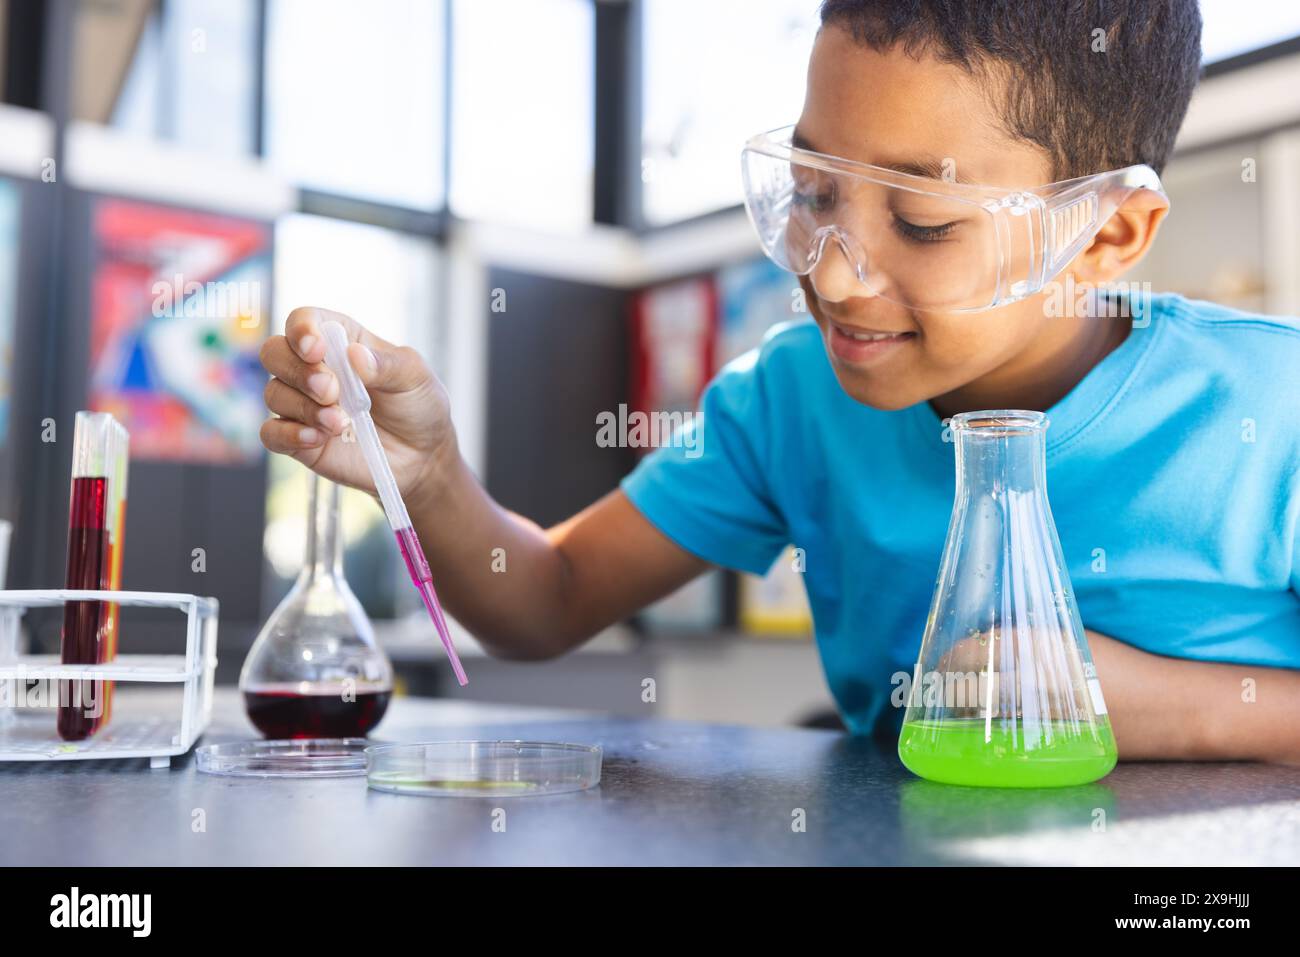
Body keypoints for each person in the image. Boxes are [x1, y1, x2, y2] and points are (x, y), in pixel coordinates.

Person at [259, 0, 1300, 763]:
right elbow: (548, 601)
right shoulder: (789, 399)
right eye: (813, 192)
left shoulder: (1271, 407)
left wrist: (1176, 708)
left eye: (924, 223)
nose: (833, 271)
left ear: (1105, 233)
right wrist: (432, 474)